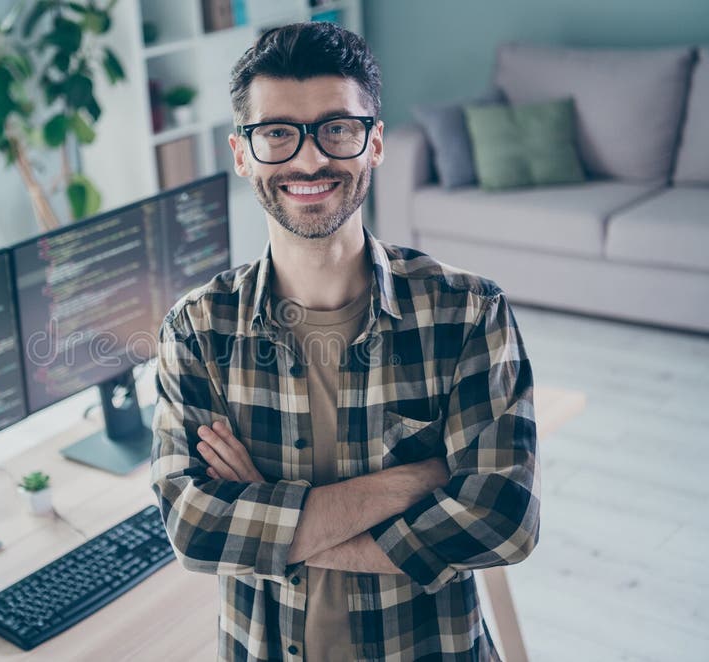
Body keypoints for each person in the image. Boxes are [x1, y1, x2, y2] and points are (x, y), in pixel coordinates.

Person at [150, 21, 539, 662]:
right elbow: (195, 530)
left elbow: (503, 522)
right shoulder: (197, 330)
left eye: (337, 128)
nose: (308, 159)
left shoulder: (468, 313)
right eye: (277, 132)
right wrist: (416, 482)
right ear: (242, 152)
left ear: (375, 143)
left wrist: (269, 522)